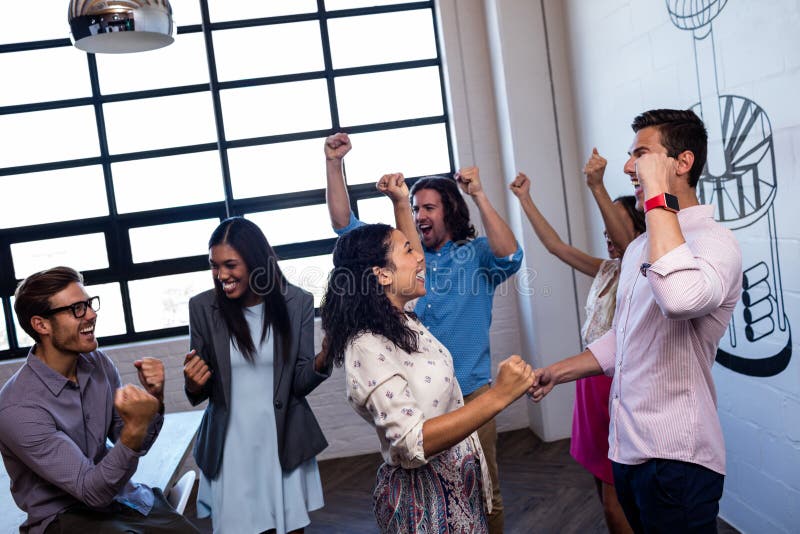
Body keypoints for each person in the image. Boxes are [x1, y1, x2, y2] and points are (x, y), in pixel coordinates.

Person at [529, 109, 742, 533]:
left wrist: (658, 196)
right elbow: (624, 337)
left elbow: (678, 300)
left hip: (677, 458)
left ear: (682, 163)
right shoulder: (641, 246)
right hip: (627, 448)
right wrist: (559, 370)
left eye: (640, 154)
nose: (628, 166)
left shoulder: (715, 243)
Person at [324, 133, 522, 532]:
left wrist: (480, 194)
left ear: (449, 211)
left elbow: (511, 255)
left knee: (487, 493)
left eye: (427, 207)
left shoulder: (468, 257)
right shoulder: (393, 289)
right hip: (426, 480)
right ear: (382, 273)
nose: (417, 216)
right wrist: (335, 166)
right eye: (414, 209)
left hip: (471, 391)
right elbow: (346, 229)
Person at [0, 266, 198, 534]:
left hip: (124, 499)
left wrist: (154, 398)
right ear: (41, 324)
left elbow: (134, 444)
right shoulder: (17, 408)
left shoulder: (97, 363)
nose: (91, 314)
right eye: (76, 309)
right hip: (67, 519)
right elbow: (92, 492)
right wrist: (134, 429)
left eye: (89, 304)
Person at [510, 149, 645, 534]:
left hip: (617, 384)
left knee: (613, 493)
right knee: (602, 482)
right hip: (590, 381)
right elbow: (556, 246)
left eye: (616, 229)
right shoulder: (606, 269)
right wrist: (525, 200)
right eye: (606, 231)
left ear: (638, 231)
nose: (610, 240)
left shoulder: (644, 272)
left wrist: (596, 185)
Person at [183, 217, 333, 534]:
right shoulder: (202, 308)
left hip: (282, 442)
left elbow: (298, 383)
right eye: (213, 265)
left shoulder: (297, 303)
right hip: (231, 448)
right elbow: (201, 389)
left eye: (230, 264)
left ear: (255, 262)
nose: (221, 275)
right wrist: (194, 383)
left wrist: (321, 361)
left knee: (290, 529)